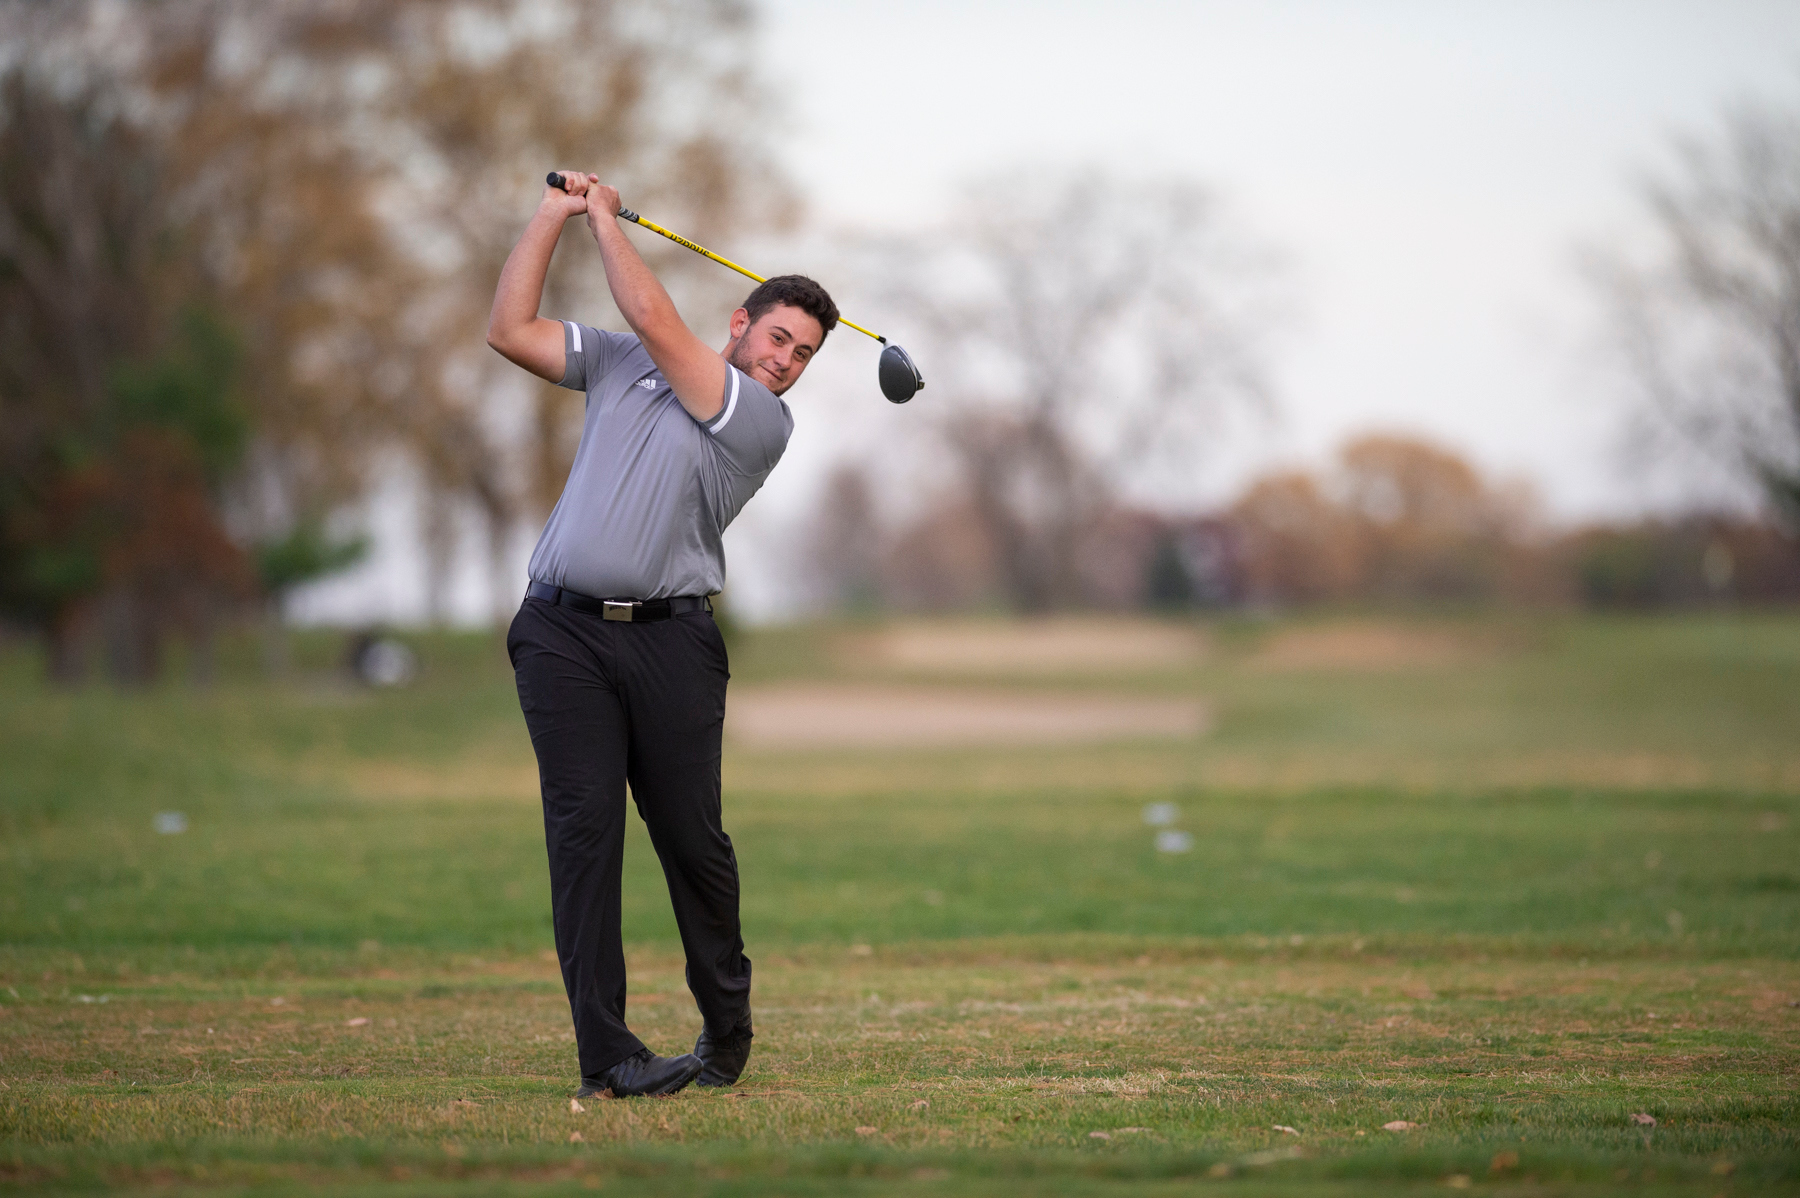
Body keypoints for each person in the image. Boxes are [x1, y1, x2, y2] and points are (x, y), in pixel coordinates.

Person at [486, 171, 836, 1098]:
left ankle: (726, 1030)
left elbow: (649, 312)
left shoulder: (757, 419)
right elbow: (509, 329)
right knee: (584, 836)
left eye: (802, 354)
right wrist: (552, 215)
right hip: (560, 634)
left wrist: (603, 218)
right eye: (777, 338)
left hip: (670, 645)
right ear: (741, 320)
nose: (785, 361)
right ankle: (608, 1059)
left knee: (691, 841)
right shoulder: (617, 362)